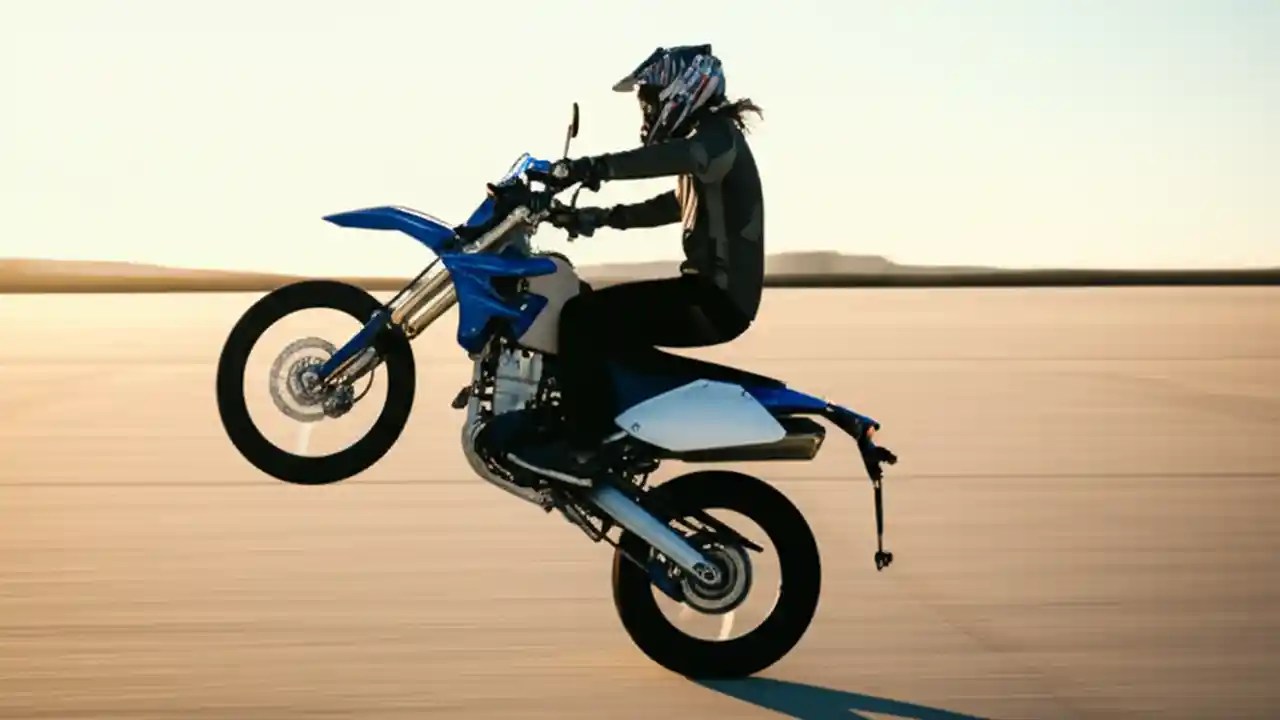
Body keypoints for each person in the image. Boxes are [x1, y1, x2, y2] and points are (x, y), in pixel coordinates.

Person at [508, 44, 766, 485]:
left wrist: (589, 168)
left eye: (649, 98)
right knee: (584, 303)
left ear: (682, 90)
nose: (646, 110)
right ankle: (589, 419)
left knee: (581, 318)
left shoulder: (715, 139)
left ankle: (584, 449)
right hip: (709, 296)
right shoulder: (708, 145)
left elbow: (665, 160)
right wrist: (596, 219)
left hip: (715, 300)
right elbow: (671, 205)